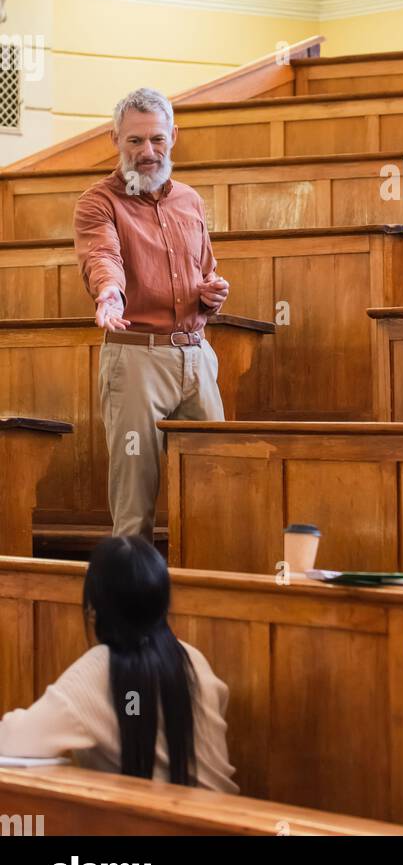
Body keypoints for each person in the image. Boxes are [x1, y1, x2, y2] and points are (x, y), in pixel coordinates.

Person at [72, 88, 230, 542]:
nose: (147, 152)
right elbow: (102, 256)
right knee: (135, 501)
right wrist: (109, 294)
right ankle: (127, 608)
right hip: (136, 358)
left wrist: (213, 291)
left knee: (219, 483)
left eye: (157, 139)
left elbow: (206, 270)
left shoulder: (190, 201)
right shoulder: (98, 202)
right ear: (114, 138)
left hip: (197, 358)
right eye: (135, 141)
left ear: (174, 136)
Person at [0, 536, 239, 792]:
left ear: (93, 608)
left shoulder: (97, 672)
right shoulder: (193, 659)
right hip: (222, 818)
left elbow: (14, 739)